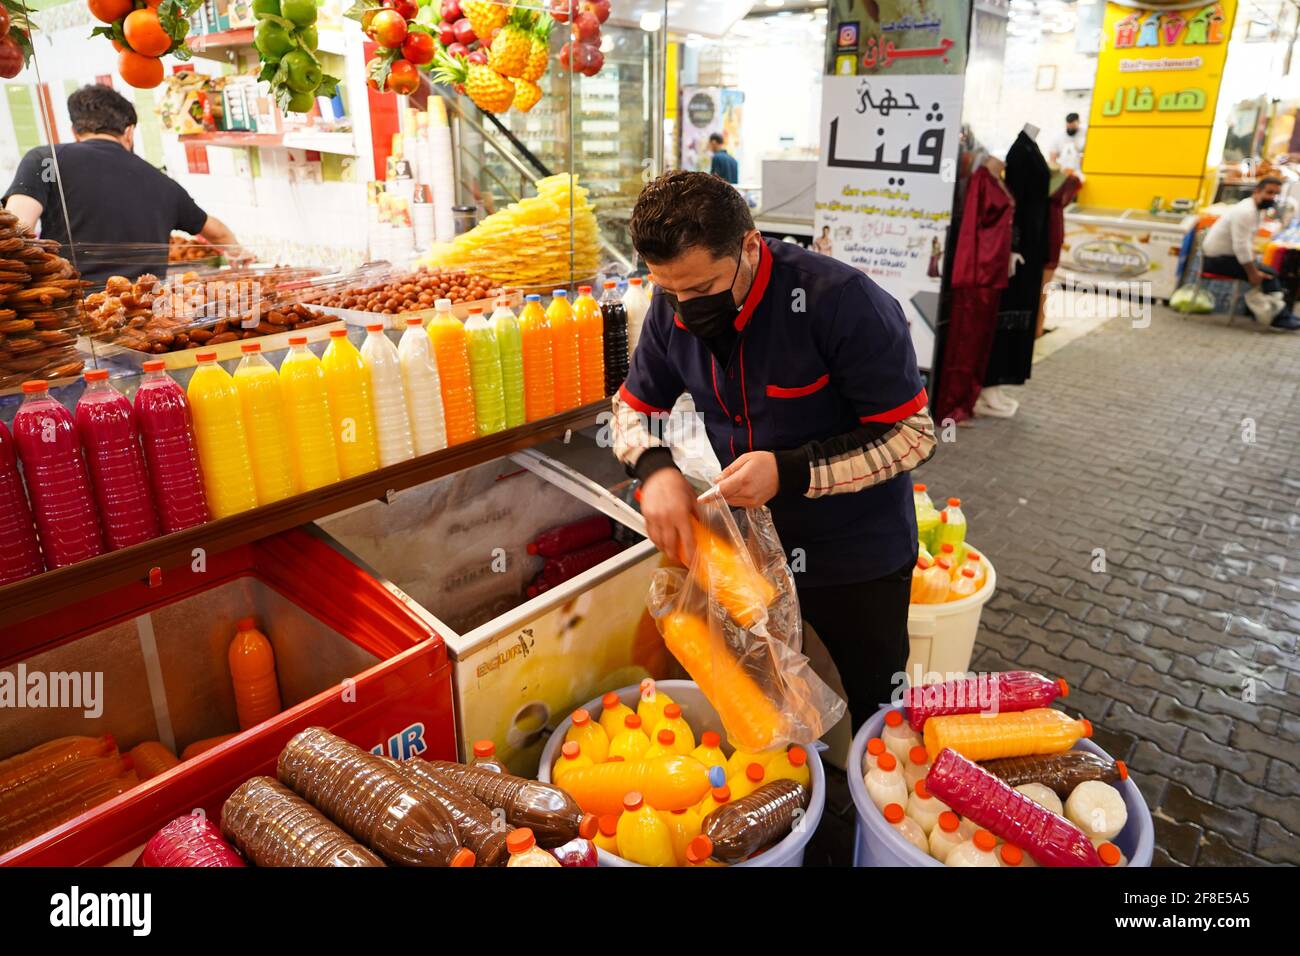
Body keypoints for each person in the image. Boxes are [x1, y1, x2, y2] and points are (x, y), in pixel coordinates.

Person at [611, 171, 937, 730]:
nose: (685, 309)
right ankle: (791, 795)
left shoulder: (841, 303)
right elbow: (630, 409)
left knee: (876, 702)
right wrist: (654, 467)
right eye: (670, 291)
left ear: (750, 246)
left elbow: (913, 436)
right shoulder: (671, 308)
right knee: (764, 696)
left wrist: (791, 471)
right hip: (752, 554)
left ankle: (868, 798)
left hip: (856, 552)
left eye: (702, 289)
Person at [2, 85, 246, 289]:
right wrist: (240, 257)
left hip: (71, 316)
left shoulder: (46, 159)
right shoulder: (162, 182)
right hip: (145, 320)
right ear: (129, 132)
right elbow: (218, 232)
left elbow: (15, 233)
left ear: (75, 132)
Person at [1201, 177, 1299, 330]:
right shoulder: (1245, 212)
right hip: (1216, 260)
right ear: (1257, 191)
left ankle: (1275, 313)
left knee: (1269, 271)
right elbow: (1241, 247)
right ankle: (1278, 318)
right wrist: (1253, 272)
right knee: (1268, 277)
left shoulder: (1255, 210)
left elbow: (1247, 244)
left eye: (1276, 194)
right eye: (1269, 192)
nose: (1272, 197)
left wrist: (1256, 266)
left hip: (1229, 257)